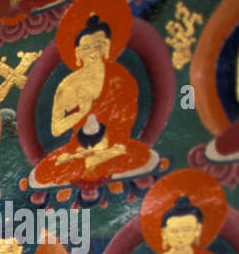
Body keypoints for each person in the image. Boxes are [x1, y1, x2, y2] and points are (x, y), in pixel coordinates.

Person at [33, 14, 156, 186]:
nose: (92, 53)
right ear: (78, 53)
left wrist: (111, 141)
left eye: (97, 45)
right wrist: (81, 111)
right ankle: (91, 162)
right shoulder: (69, 84)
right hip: (78, 149)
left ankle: (97, 161)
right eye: (86, 47)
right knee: (45, 171)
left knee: (139, 154)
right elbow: (56, 129)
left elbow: (126, 117)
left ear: (106, 47)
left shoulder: (119, 77)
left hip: (112, 146)